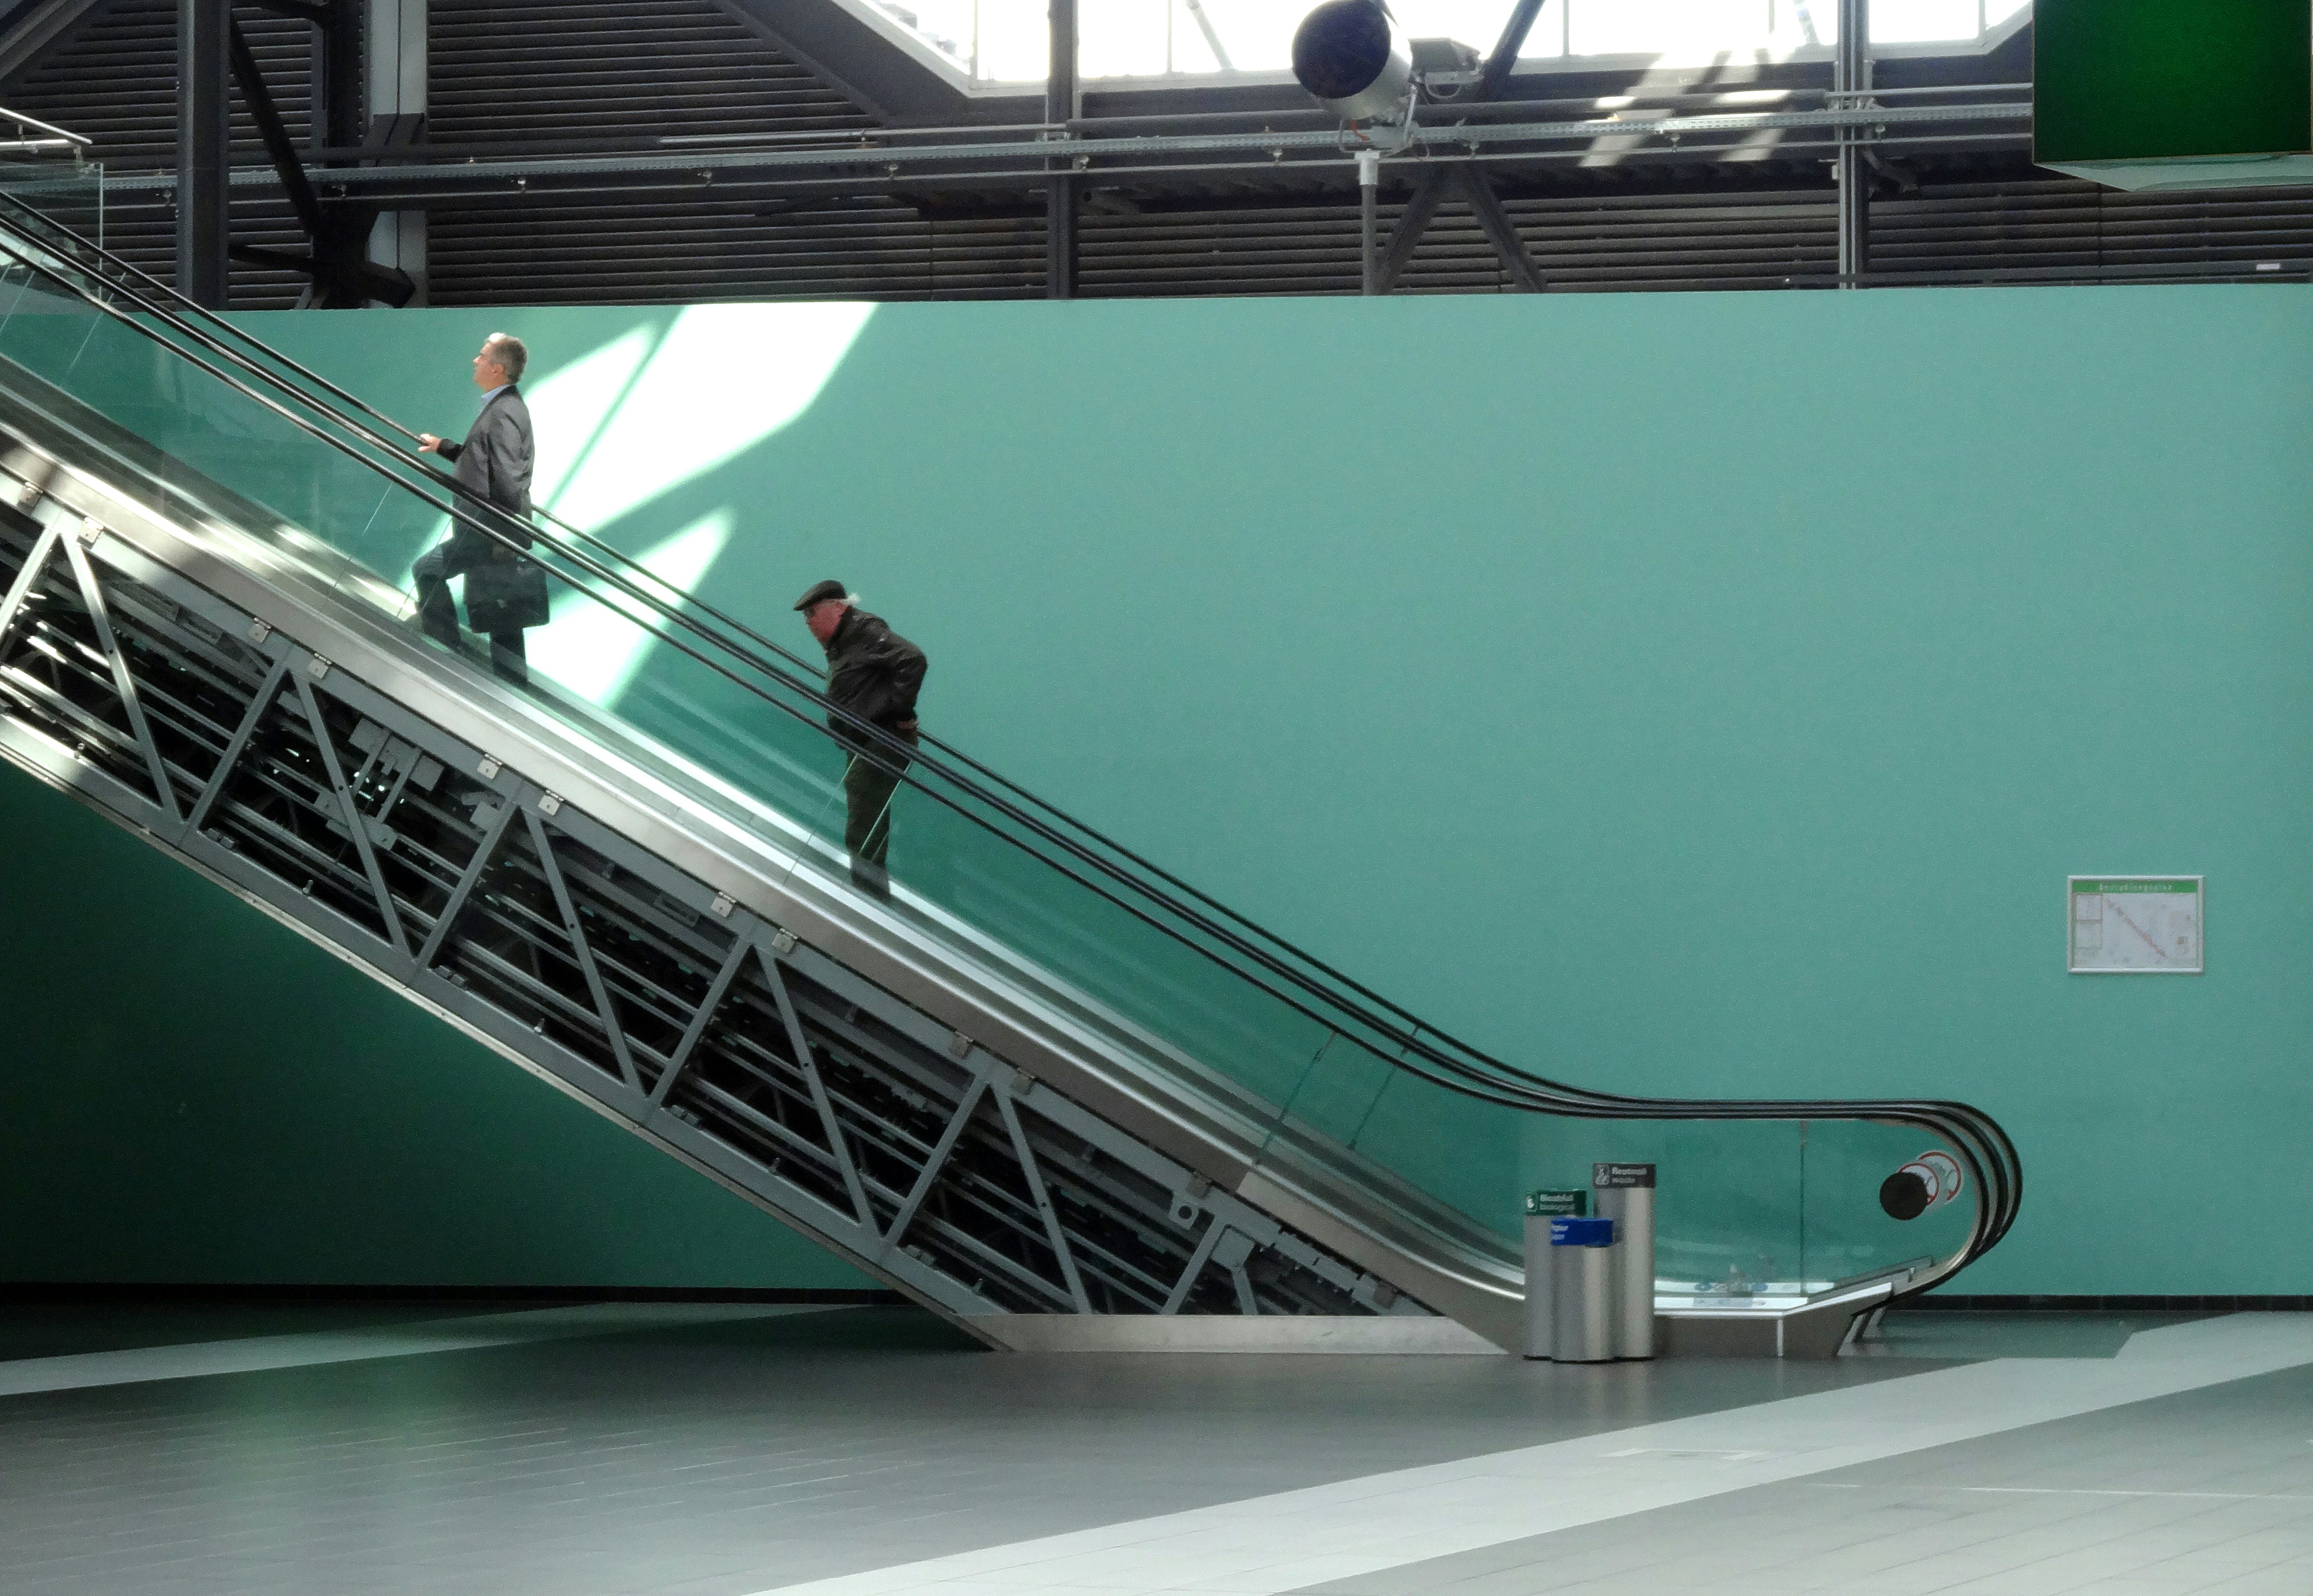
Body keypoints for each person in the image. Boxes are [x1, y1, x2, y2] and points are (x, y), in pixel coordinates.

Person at [412, 332, 548, 684]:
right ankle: (513, 686)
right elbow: (484, 463)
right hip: (494, 528)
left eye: (483, 356)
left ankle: (445, 651)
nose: (476, 360)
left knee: (427, 570)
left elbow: (507, 479)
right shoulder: (505, 406)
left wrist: (506, 537)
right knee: (503, 613)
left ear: (497, 369)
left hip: (489, 529)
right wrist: (445, 447)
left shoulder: (503, 413)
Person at [795, 580, 927, 899]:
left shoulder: (864, 632)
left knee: (863, 820)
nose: (808, 623)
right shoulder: (843, 642)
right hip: (866, 741)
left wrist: (901, 714)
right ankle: (870, 895)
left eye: (812, 613)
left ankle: (867, 900)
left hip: (883, 739)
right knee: (867, 818)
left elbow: (913, 659)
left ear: (838, 608)